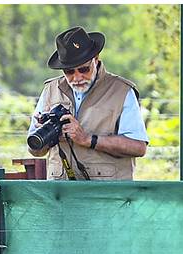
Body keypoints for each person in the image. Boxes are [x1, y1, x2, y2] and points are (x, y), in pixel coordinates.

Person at [27, 27, 148, 180]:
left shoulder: (121, 90)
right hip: (61, 194)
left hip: (107, 196)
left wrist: (87, 140)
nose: (77, 77)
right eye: (69, 72)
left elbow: (138, 147)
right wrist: (46, 134)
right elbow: (34, 149)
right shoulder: (50, 89)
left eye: (83, 69)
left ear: (96, 59)